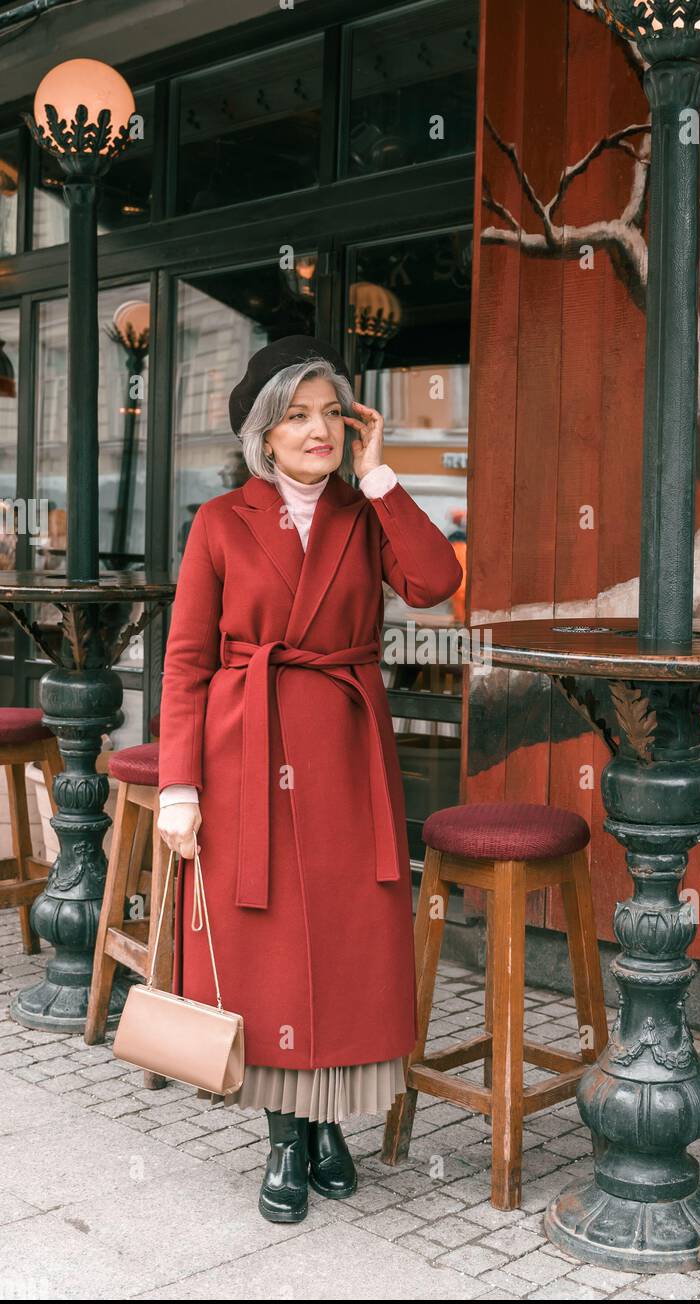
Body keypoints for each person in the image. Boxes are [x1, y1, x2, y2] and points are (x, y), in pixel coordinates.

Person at [156, 335, 463, 1223]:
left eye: (332, 413)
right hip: (242, 750)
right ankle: (286, 1137)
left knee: (343, 938)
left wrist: (379, 475)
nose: (317, 429)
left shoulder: (365, 511)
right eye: (297, 415)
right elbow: (183, 663)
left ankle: (333, 1123)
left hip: (341, 750)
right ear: (263, 432)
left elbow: (435, 581)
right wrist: (180, 787)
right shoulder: (219, 522)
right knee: (270, 942)